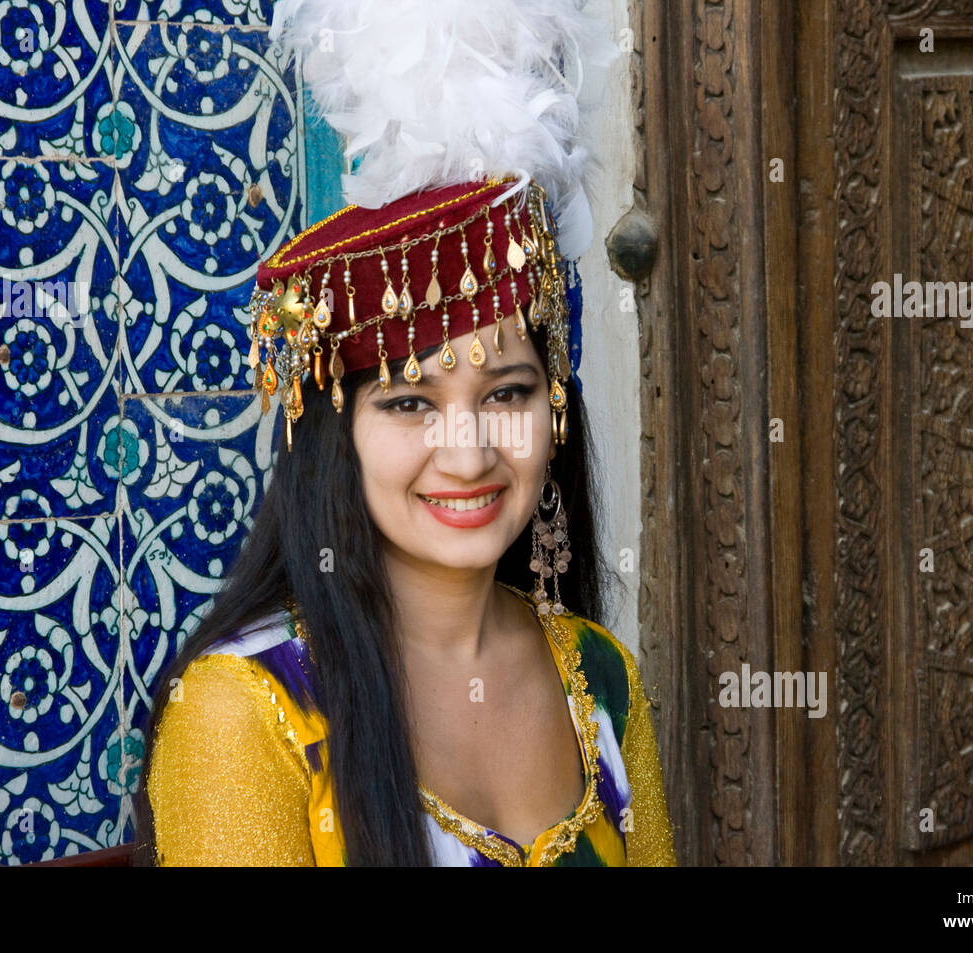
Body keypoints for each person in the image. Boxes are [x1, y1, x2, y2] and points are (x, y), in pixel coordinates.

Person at [131, 1, 676, 867]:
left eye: (508, 392)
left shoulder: (597, 676)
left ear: (555, 408)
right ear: (331, 431)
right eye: (410, 403)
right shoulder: (245, 713)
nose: (468, 453)